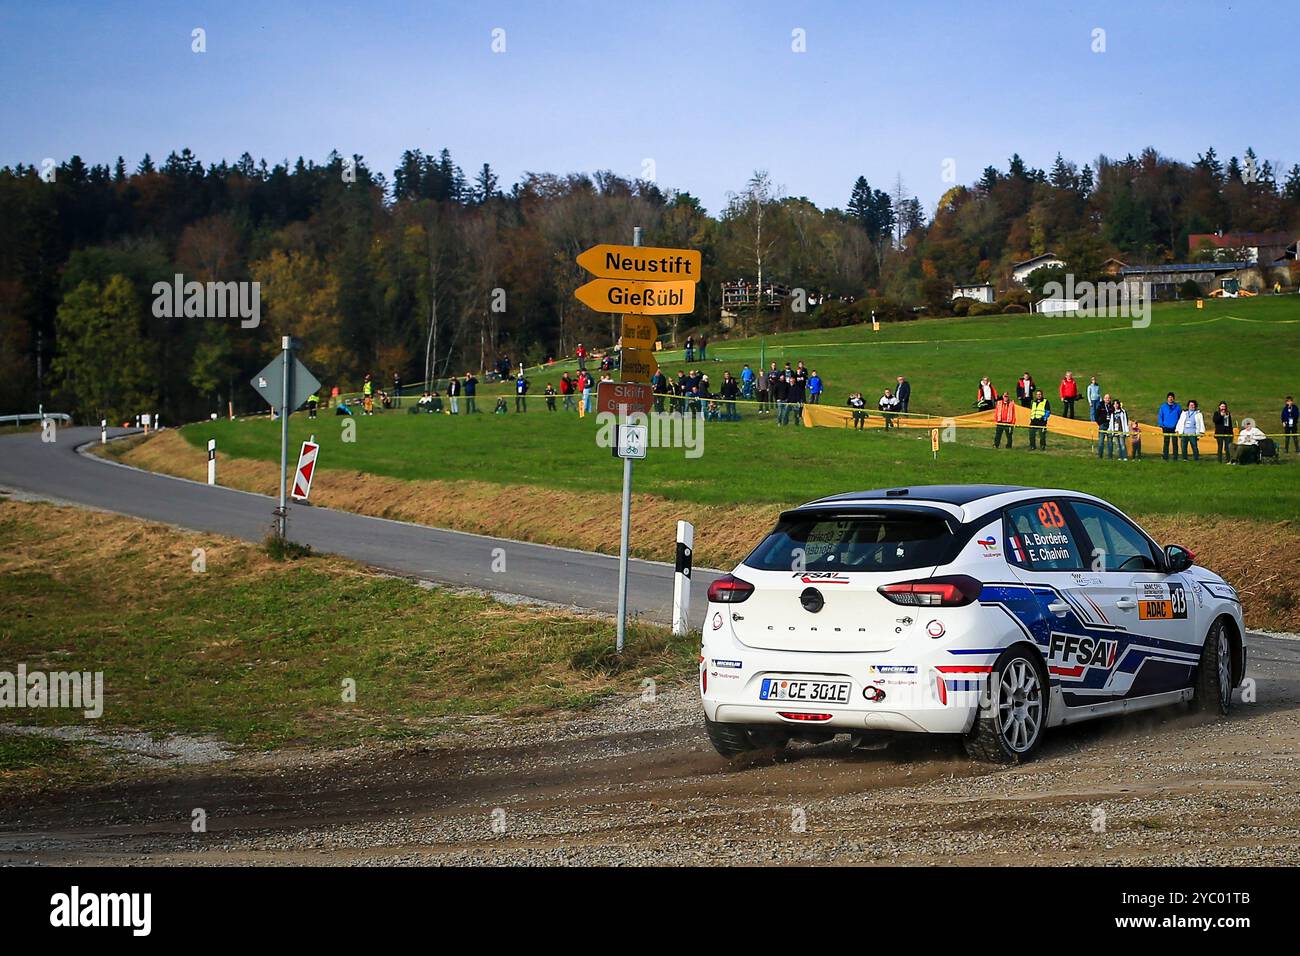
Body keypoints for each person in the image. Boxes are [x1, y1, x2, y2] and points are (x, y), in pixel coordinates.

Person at [1157, 392, 1182, 460]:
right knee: (1166, 442)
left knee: (1175, 442)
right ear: (1167, 399)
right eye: (1169, 397)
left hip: (1175, 427)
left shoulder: (1178, 407)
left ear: (1174, 399)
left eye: (1172, 397)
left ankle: (1175, 457)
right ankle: (1165, 456)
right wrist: (1161, 424)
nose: (1170, 399)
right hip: (1166, 427)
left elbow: (1181, 417)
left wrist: (1179, 426)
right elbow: (1160, 416)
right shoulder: (1163, 406)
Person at [1095, 393, 1113, 458]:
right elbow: (1096, 415)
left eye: (1108, 398)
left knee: (1110, 442)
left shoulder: (1112, 406)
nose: (1107, 399)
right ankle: (1100, 456)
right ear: (1104, 399)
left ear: (1110, 399)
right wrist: (1100, 423)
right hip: (1102, 425)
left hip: (1110, 426)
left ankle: (1110, 456)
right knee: (1101, 441)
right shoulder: (1100, 405)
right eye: (1106, 398)